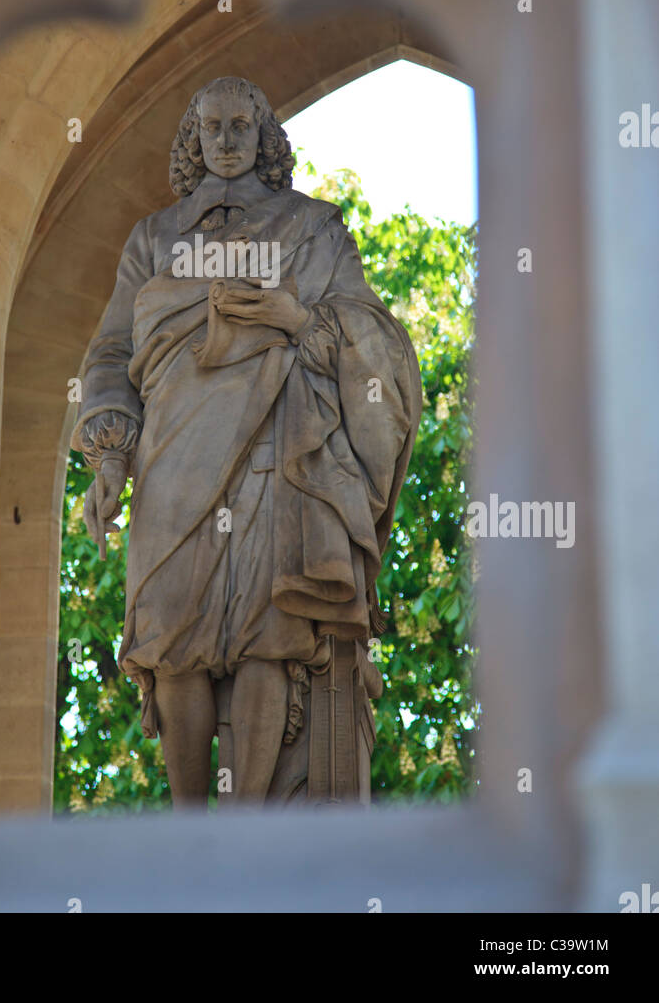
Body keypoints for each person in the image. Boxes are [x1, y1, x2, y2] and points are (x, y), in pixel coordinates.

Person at [73, 76, 422, 803]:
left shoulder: (313, 227)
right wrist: (110, 450)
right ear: (192, 141)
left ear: (264, 138)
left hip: (278, 445)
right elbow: (111, 353)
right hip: (174, 451)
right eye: (212, 128)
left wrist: (296, 319)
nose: (227, 141)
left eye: (241, 127)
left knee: (272, 631)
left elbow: (367, 332)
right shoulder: (155, 238)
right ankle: (195, 831)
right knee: (171, 638)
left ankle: (249, 829)